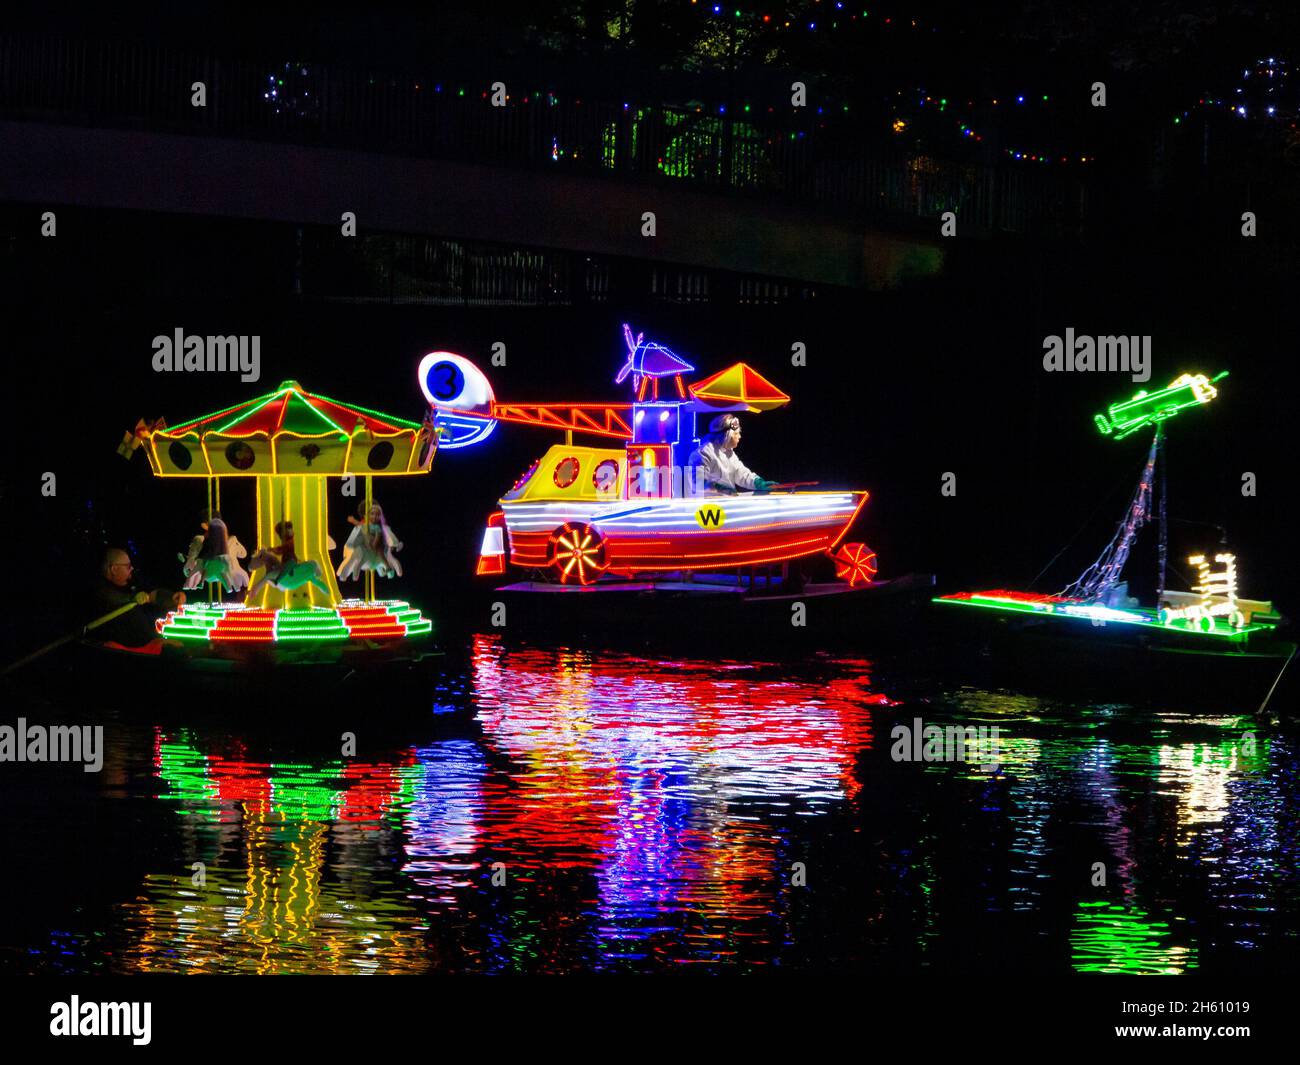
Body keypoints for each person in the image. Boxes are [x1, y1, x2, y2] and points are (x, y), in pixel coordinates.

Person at [90, 548, 185, 648]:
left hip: (149, 643)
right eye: (128, 566)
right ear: (114, 569)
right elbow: (113, 599)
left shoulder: (131, 583)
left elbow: (150, 593)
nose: (132, 568)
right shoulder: (100, 592)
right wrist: (131, 599)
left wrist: (171, 597)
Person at [688, 414, 778, 495]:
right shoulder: (703, 453)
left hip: (726, 502)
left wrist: (758, 483)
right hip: (709, 507)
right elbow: (698, 483)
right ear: (726, 435)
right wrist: (719, 488)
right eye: (736, 433)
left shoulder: (729, 452)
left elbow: (741, 473)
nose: (739, 436)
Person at [246, 520, 332, 600]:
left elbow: (282, 549)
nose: (291, 531)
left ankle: (254, 591)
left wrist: (272, 549)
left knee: (271, 574)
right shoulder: (286, 540)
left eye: (290, 529)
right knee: (272, 568)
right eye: (288, 530)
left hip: (290, 563)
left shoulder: (290, 541)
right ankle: (257, 588)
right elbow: (281, 549)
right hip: (286, 564)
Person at [180, 512, 249, 595]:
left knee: (207, 566)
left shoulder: (215, 536)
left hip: (215, 555)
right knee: (211, 568)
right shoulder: (213, 535)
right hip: (216, 555)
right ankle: (202, 582)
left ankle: (202, 582)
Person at [338, 502, 404, 581]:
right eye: (372, 514)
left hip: (377, 549)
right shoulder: (362, 526)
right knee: (354, 558)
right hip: (364, 550)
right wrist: (350, 546)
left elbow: (387, 536)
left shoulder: (382, 528)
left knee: (384, 554)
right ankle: (345, 574)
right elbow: (353, 537)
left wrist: (395, 544)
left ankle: (387, 568)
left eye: (377, 515)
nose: (374, 516)